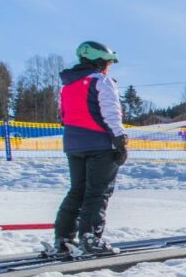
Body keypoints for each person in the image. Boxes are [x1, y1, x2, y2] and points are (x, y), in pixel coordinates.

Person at [50, 41, 128, 256]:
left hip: (74, 145)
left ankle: (63, 238)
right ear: (100, 62)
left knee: (77, 191)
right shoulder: (102, 81)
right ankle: (91, 238)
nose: (109, 66)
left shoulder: (67, 86)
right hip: (100, 145)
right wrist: (120, 141)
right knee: (98, 191)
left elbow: (63, 116)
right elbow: (111, 114)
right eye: (109, 62)